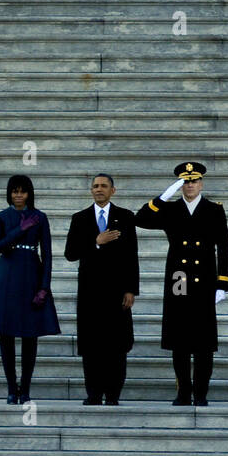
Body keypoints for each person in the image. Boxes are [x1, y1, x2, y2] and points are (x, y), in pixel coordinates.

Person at [135, 162, 228, 406]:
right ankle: (183, 391)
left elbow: (224, 247)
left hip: (205, 280)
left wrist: (222, 283)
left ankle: (200, 393)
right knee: (180, 340)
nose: (190, 186)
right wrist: (163, 196)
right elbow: (141, 218)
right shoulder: (170, 209)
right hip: (179, 280)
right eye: (185, 182)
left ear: (201, 183)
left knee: (204, 342)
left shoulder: (214, 209)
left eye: (194, 181)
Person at [64, 173, 138, 405]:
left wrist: (131, 290)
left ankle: (113, 394)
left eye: (104, 186)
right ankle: (94, 393)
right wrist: (96, 241)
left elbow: (131, 256)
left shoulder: (125, 217)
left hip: (117, 293)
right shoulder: (80, 218)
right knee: (92, 345)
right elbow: (70, 253)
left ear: (112, 190)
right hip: (90, 293)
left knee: (116, 345)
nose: (99, 189)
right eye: (95, 186)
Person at [0, 174, 61, 404]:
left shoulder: (40, 217)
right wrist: (19, 230)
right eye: (14, 191)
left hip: (31, 273)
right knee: (6, 334)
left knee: (30, 335)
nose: (18, 195)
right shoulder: (1, 217)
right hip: (8, 275)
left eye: (23, 191)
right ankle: (11, 388)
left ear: (29, 193)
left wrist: (44, 287)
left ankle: (26, 388)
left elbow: (47, 254)